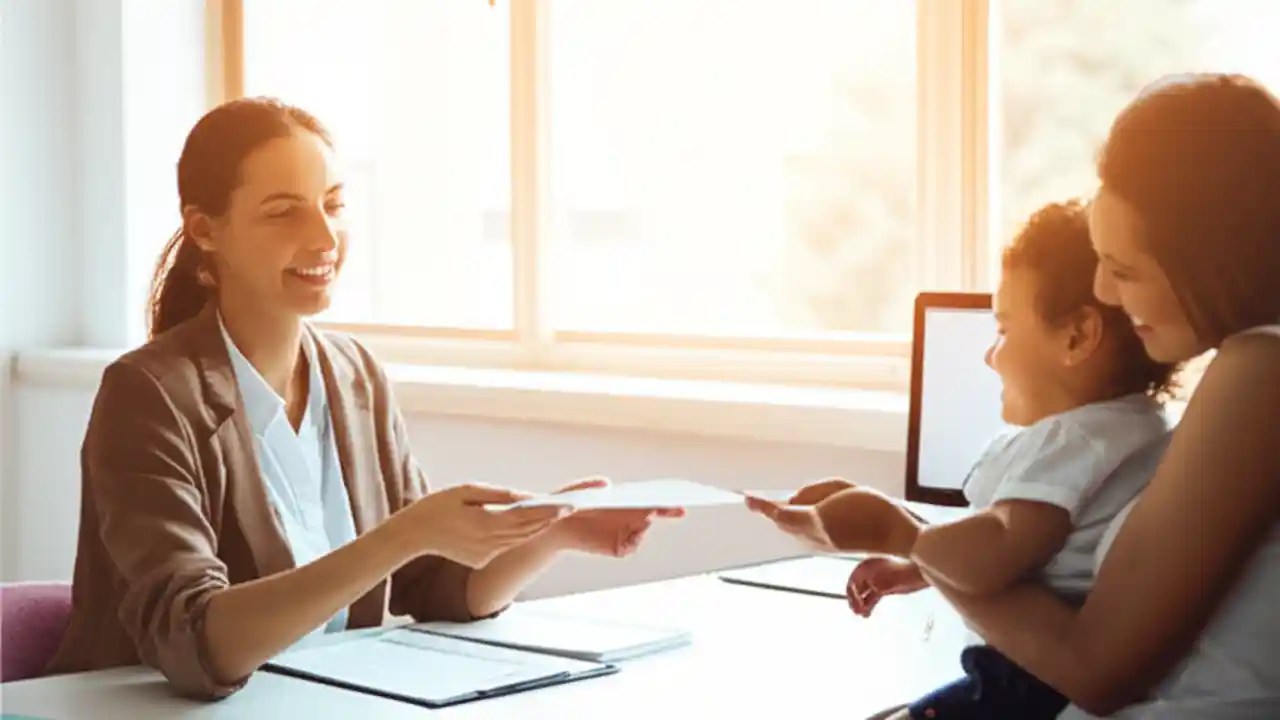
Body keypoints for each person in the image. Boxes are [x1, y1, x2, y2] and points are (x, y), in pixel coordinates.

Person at [47, 97, 681, 699]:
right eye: (283, 211)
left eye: (333, 204)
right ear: (205, 230)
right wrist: (402, 535)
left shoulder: (355, 375)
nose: (324, 237)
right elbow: (193, 641)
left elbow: (432, 586)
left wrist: (553, 529)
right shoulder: (148, 394)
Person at [749, 73, 1280, 718]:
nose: (1108, 296)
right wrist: (921, 546)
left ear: (1210, 255)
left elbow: (1095, 669)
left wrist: (902, 533)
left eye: (1123, 269)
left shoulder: (1261, 368)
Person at [759, 200, 1177, 719]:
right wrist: (916, 567)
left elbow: (996, 554)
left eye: (1002, 330)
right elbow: (1032, 551)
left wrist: (894, 530)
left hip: (1026, 685)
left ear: (1076, 336)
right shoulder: (1142, 426)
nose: (989, 355)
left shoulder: (1072, 440)